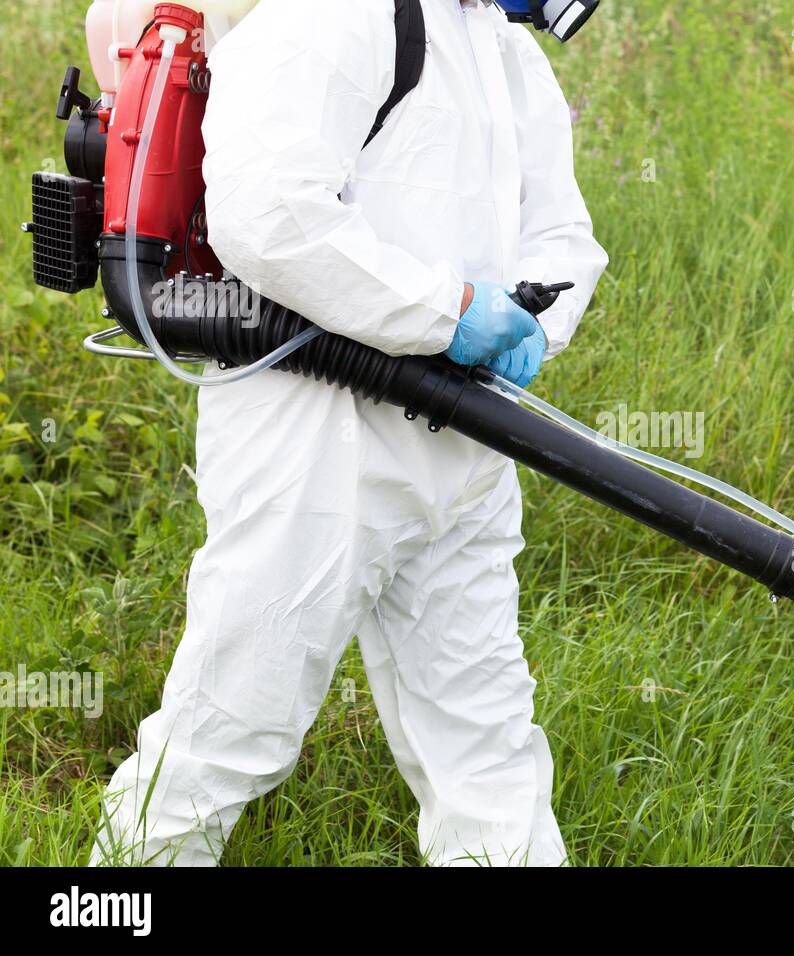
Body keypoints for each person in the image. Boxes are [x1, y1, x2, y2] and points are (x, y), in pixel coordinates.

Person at [91, 0, 607, 867]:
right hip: (317, 439)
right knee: (235, 720)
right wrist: (448, 312)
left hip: (466, 440)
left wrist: (526, 325)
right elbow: (268, 213)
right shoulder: (338, 12)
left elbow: (564, 235)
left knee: (485, 737)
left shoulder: (508, 56)